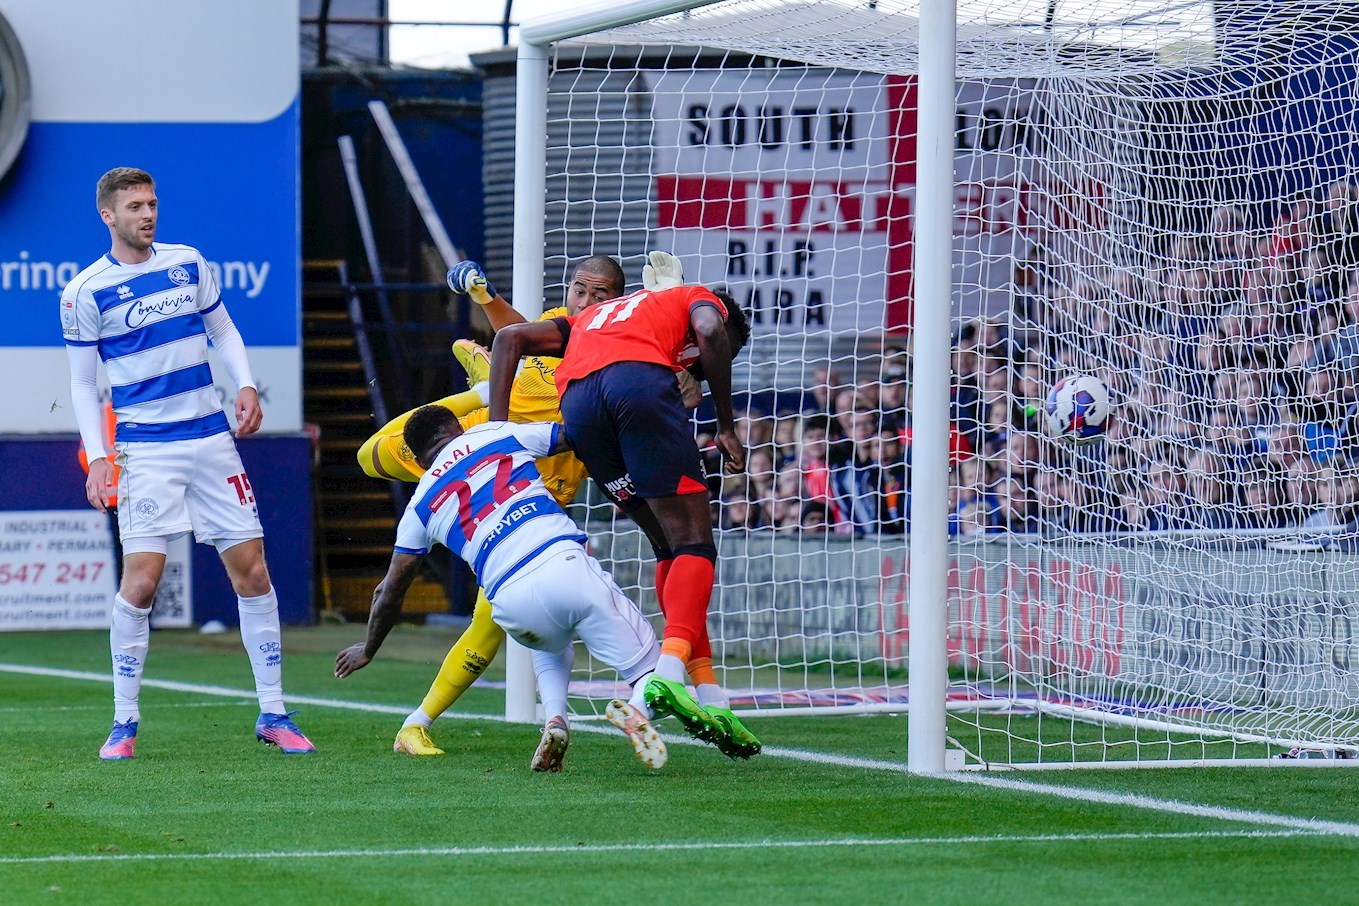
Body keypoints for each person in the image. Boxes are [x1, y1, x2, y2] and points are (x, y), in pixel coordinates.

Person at [354, 254, 662, 757]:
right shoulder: (552, 330)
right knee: (370, 455)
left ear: (617, 301)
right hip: (489, 450)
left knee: (497, 621)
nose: (583, 303)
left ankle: (422, 722)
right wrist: (484, 310)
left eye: (598, 296)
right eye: (578, 292)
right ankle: (654, 686)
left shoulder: (613, 352)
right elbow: (516, 334)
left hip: (534, 481)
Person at [62, 167, 313, 759]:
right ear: (108, 216)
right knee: (143, 579)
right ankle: (124, 722)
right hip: (145, 449)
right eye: (134, 207)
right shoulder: (85, 291)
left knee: (252, 573)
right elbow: (80, 383)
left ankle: (273, 712)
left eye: (151, 204)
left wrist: (246, 384)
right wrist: (99, 458)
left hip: (211, 439)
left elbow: (223, 331)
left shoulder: (188, 263)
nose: (147, 214)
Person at [488, 276, 759, 758]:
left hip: (579, 409)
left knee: (669, 545)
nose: (702, 365)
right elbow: (712, 334)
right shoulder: (696, 298)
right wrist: (725, 425)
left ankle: (709, 692)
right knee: (696, 540)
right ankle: (665, 677)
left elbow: (510, 338)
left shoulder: (588, 318)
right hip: (635, 385)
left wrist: (496, 430)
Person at [335, 406, 669, 772]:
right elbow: (574, 434)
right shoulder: (495, 434)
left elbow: (391, 591)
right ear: (459, 427)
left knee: (551, 641)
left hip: (508, 602)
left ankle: (556, 719)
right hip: (560, 561)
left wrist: (368, 648)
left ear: (417, 459)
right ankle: (638, 709)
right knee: (651, 671)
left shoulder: (417, 509)